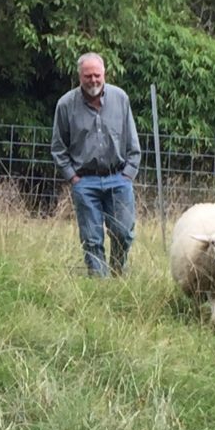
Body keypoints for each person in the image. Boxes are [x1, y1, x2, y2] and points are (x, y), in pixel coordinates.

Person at [51, 53, 141, 277]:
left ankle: (118, 272)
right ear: (79, 76)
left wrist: (128, 173)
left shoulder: (120, 98)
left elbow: (132, 140)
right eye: (87, 76)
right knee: (92, 238)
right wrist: (73, 177)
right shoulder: (65, 104)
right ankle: (99, 284)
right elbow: (58, 147)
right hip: (85, 180)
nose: (93, 80)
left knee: (123, 232)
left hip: (118, 178)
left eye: (97, 75)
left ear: (105, 74)